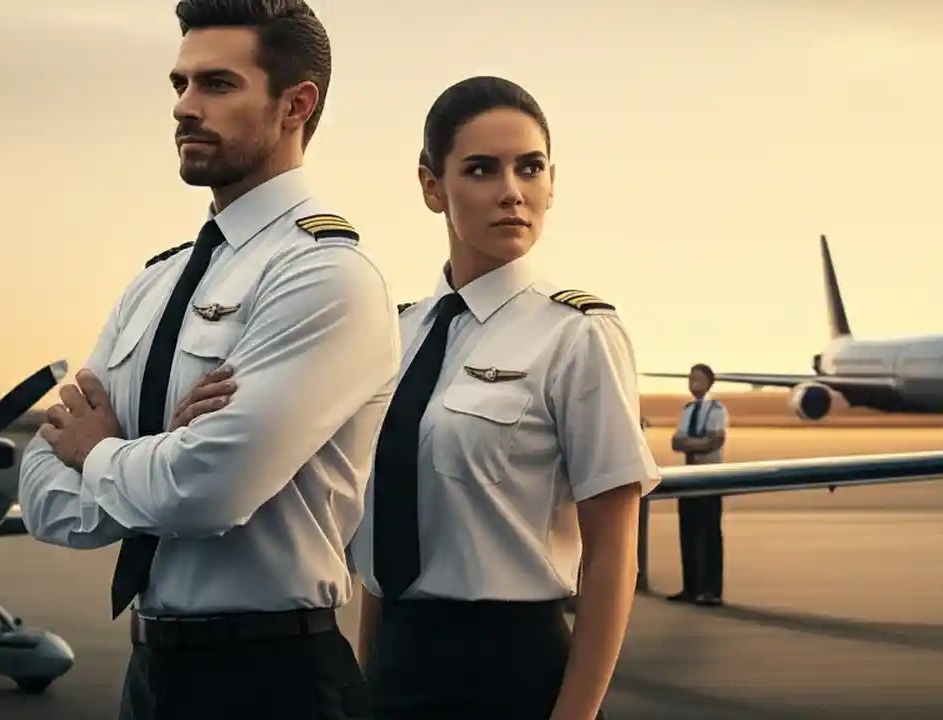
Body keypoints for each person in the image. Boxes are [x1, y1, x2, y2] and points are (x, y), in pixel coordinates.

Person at [180, 75, 661, 720]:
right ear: (433, 187)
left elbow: (611, 556)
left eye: (531, 168)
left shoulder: (578, 336)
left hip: (517, 673)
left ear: (552, 183)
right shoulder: (391, 333)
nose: (512, 193)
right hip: (392, 670)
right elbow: (383, 526)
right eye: (482, 170)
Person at [16, 1, 399, 718]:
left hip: (273, 679)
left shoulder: (324, 276)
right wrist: (160, 454)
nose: (185, 108)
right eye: (179, 85)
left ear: (296, 105)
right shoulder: (156, 282)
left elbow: (209, 490)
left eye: (217, 85)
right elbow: (43, 496)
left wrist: (105, 453)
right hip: (149, 675)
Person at [667, 363, 729, 607]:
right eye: (691, 379)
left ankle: (712, 590)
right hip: (689, 477)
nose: (693, 383)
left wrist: (689, 443)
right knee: (688, 532)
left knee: (710, 534)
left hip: (710, 477)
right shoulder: (687, 410)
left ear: (709, 382)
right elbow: (675, 442)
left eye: (698, 379)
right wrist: (696, 443)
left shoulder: (717, 409)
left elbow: (714, 441)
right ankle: (691, 587)